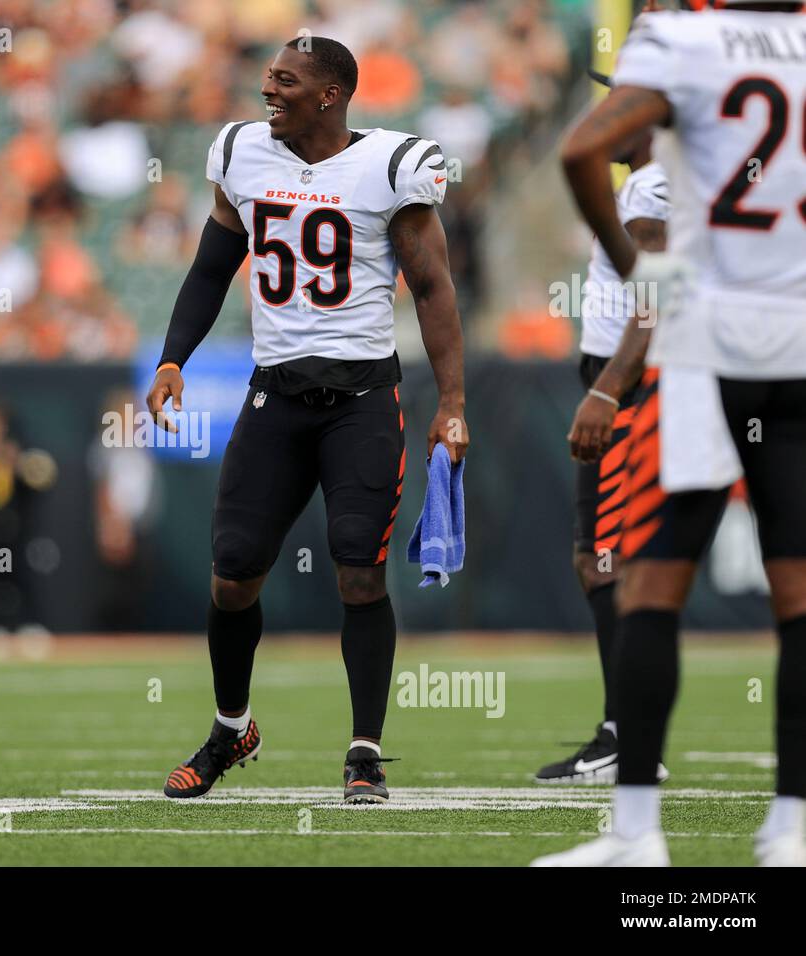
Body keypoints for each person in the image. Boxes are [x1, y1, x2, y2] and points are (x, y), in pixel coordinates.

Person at [147, 36, 468, 805]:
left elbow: (431, 287)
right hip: (275, 397)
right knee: (232, 576)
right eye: (267, 79)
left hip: (361, 401)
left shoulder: (391, 166)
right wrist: (172, 358)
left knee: (358, 571)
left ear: (331, 95)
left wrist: (453, 403)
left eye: (285, 82)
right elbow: (212, 266)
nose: (269, 92)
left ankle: (363, 752)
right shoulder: (241, 154)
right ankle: (232, 728)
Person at [535, 0, 806, 867]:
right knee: (798, 595)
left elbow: (580, 147)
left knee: (650, 586)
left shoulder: (684, 38)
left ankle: (637, 832)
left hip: (702, 334)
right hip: (796, 333)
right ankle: (792, 830)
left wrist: (639, 276)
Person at [537, 89, 670, 786]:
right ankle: (626, 730)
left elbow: (655, 297)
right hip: (620, 379)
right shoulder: (642, 181)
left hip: (629, 385)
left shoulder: (654, 184)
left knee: (610, 561)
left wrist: (606, 390)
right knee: (599, 559)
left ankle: (627, 734)